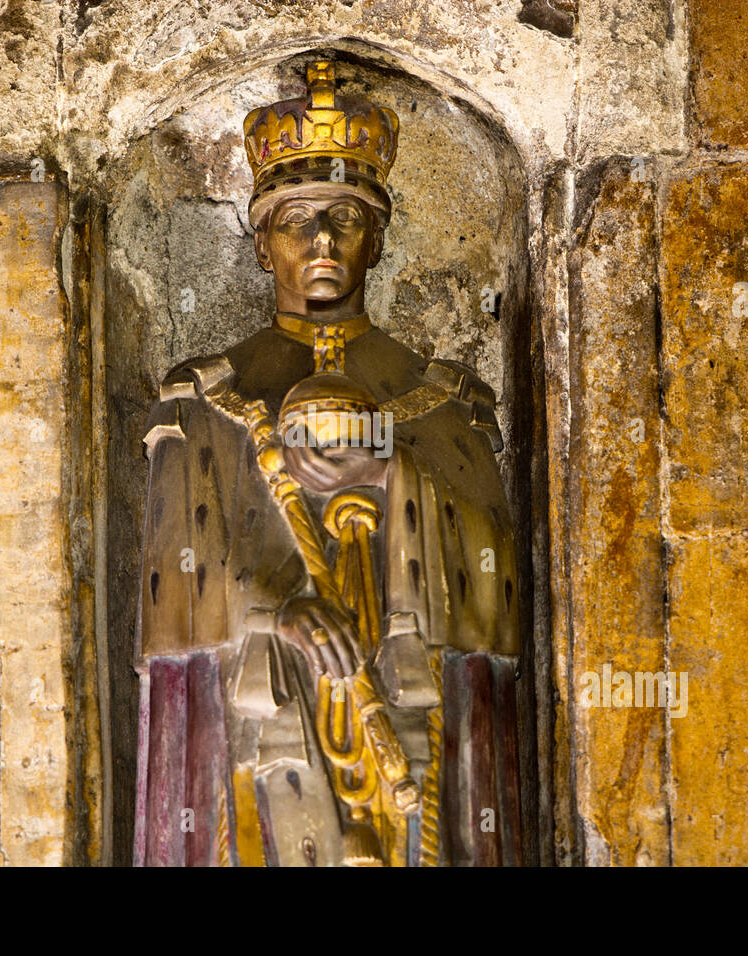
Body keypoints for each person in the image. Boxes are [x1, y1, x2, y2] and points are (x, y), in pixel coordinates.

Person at [134, 61, 521, 866]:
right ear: (261, 237)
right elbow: (174, 600)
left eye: (344, 216)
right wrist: (275, 613)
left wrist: (391, 478)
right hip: (265, 733)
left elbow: (495, 599)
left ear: (376, 237)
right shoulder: (208, 399)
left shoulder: (441, 399)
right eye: (296, 218)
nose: (320, 240)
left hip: (413, 725)